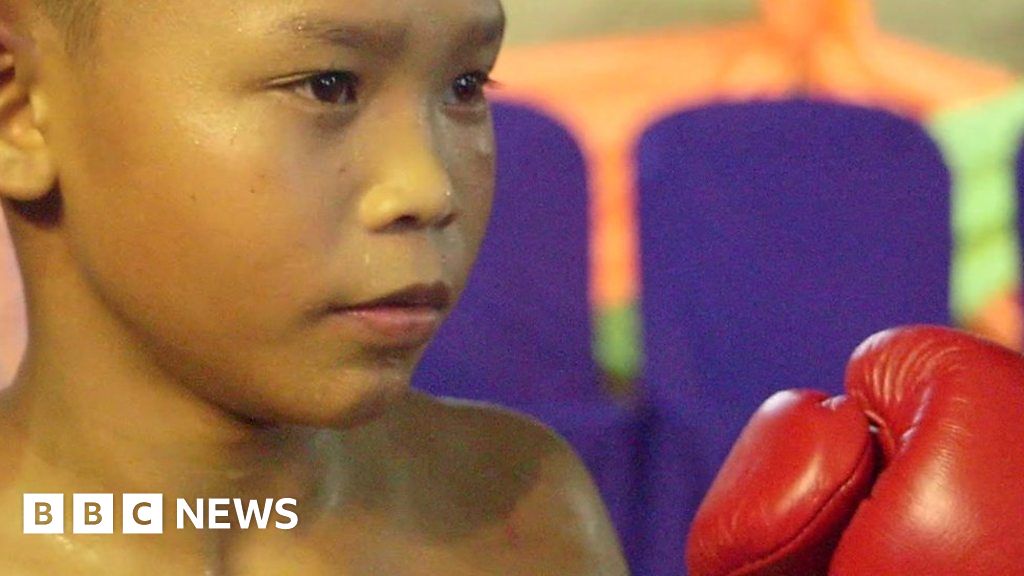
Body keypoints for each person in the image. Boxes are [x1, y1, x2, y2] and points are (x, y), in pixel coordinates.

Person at [0, 0, 629, 573]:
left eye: (465, 86)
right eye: (327, 86)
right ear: (18, 116)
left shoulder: (522, 513)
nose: (428, 189)